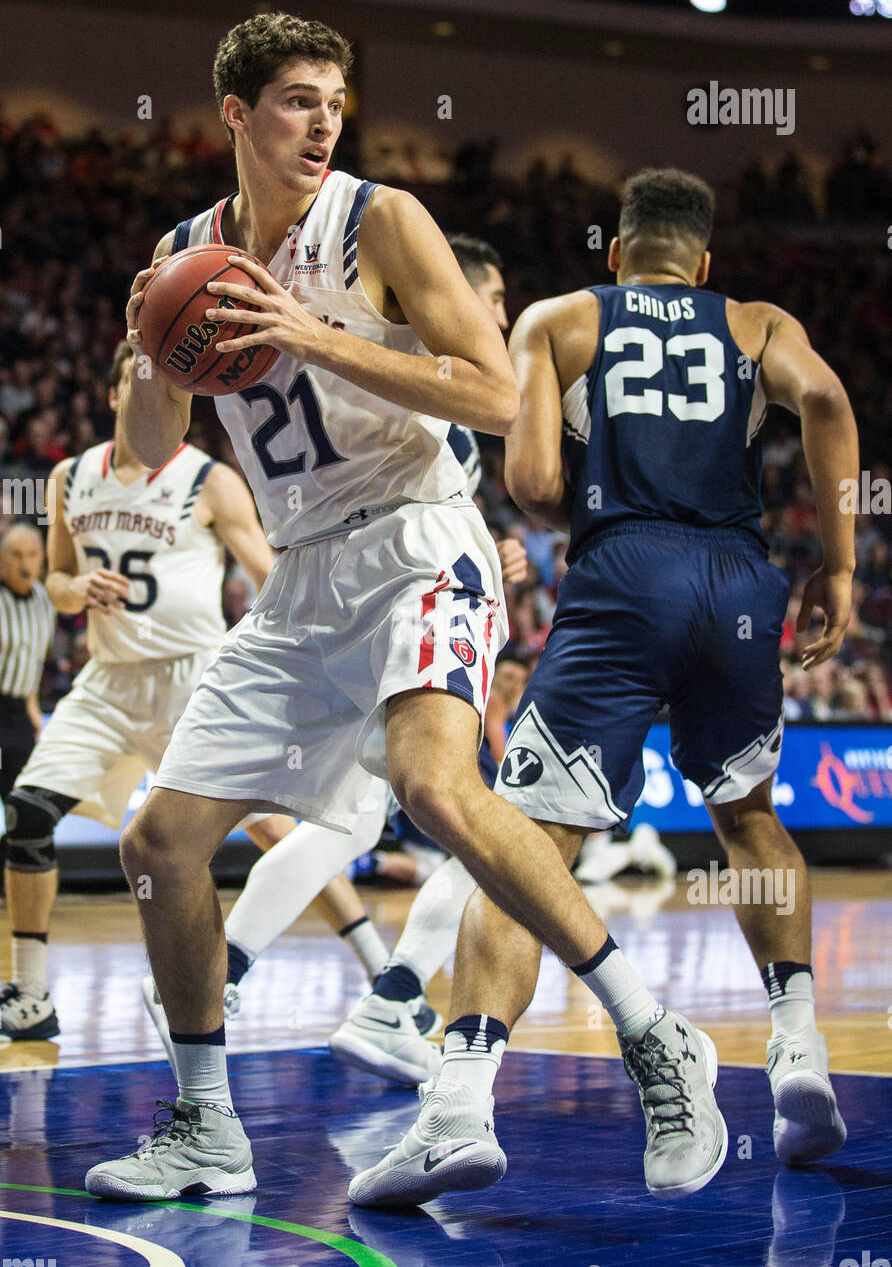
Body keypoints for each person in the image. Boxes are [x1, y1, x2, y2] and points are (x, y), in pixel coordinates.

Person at [86, 14, 722, 1204]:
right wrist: (150, 350)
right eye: (294, 100)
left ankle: (653, 1032)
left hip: (419, 540)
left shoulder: (379, 219)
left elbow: (493, 392)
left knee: (435, 785)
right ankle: (209, 1132)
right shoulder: (189, 248)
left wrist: (312, 333)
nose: (323, 119)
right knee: (158, 845)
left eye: (334, 98)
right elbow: (156, 444)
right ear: (233, 113)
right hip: (299, 575)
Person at [349, 167, 855, 1208]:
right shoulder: (756, 320)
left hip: (625, 579)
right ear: (703, 263)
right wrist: (838, 566)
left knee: (528, 837)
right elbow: (828, 400)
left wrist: (600, 467)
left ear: (615, 252)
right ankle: (796, 1044)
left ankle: (457, 1102)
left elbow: (533, 486)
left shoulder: (559, 317)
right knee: (751, 818)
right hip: (738, 584)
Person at [139, 232, 525, 1068]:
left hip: (337, 587)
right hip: (382, 592)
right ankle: (391, 1000)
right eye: (490, 301)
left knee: (350, 819)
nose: (494, 318)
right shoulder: (422, 374)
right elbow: (433, 487)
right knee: (474, 811)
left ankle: (233, 966)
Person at [0, 342, 276, 1041]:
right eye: (138, 383)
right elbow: (58, 585)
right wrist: (76, 587)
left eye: (166, 386)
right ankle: (29, 996)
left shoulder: (211, 480)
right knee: (29, 814)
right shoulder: (69, 477)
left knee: (275, 831)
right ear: (117, 394)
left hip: (195, 680)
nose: (150, 397)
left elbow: (268, 575)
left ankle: (378, 967)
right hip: (109, 683)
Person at [0, 524, 55, 873]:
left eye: (32, 554)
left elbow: (34, 659)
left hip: (20, 714)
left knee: (20, 803)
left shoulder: (46, 601)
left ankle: (11, 878)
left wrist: (34, 709)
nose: (25, 563)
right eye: (16, 555)